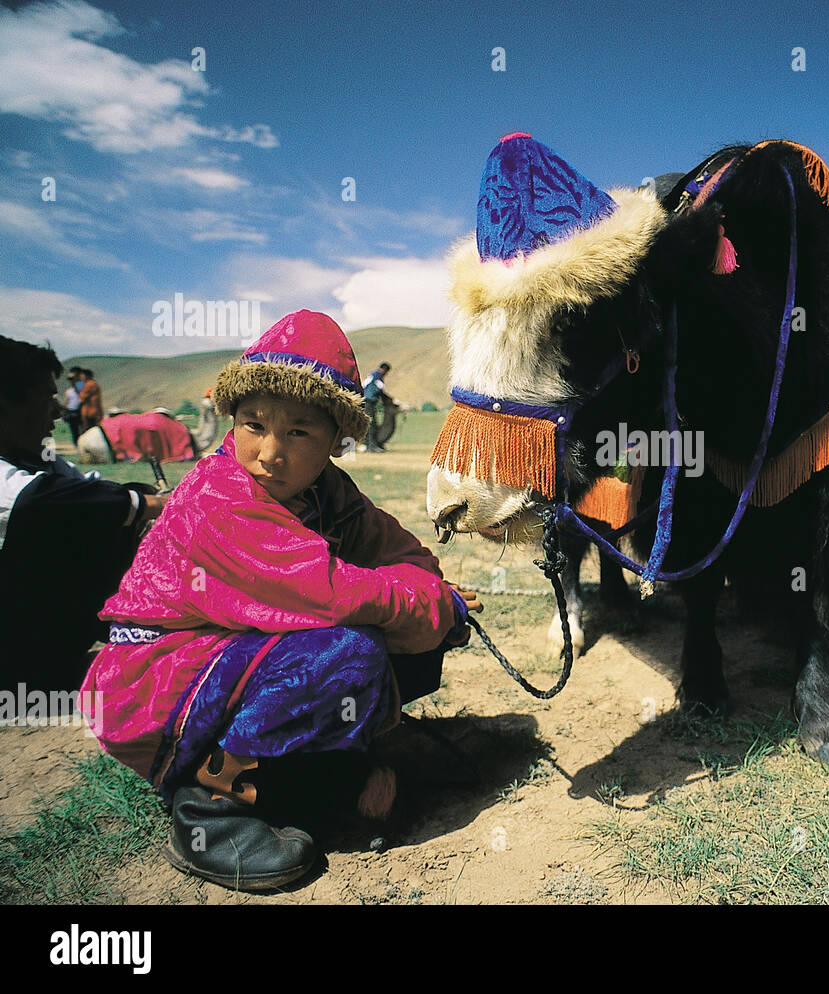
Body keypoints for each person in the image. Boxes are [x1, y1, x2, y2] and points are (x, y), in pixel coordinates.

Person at [81, 311, 482, 892]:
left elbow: (407, 555)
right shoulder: (219, 498)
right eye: (253, 424)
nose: (269, 453)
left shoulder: (329, 491)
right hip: (155, 681)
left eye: (298, 432)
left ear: (335, 441)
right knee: (347, 650)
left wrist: (433, 601)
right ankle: (211, 804)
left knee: (407, 633)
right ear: (233, 420)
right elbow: (331, 591)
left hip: (227, 659)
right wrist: (435, 605)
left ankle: (306, 774)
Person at [0, 338, 165, 695]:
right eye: (46, 399)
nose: (58, 412)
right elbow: (35, 503)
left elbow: (89, 488)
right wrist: (147, 505)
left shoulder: (33, 458)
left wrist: (146, 496)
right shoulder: (20, 488)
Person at [362, 361, 391, 452]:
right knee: (371, 423)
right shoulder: (378, 376)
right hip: (369, 401)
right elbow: (380, 390)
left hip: (364, 400)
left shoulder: (372, 375)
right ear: (384, 370)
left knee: (368, 423)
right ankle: (372, 446)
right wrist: (388, 398)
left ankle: (368, 444)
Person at [62, 366, 84, 441]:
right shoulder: (68, 391)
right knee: (74, 431)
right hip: (71, 412)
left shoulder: (81, 387)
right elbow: (66, 402)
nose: (71, 381)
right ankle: (77, 444)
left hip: (80, 411)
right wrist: (64, 411)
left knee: (83, 430)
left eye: (72, 379)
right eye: (70, 379)